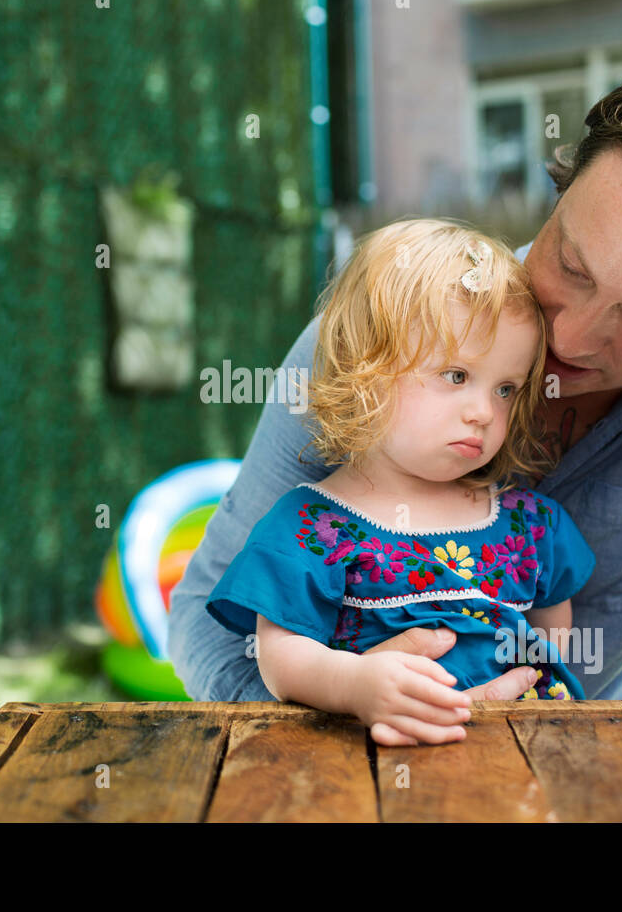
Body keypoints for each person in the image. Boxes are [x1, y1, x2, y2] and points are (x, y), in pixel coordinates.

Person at [169, 42, 622, 821]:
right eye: (572, 263)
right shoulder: (385, 339)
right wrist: (358, 712)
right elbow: (212, 622)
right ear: (565, 186)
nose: (574, 338)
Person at [205, 222, 596, 746]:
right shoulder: (312, 527)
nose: (483, 411)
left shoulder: (526, 522)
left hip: (526, 755)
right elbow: (280, 659)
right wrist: (356, 686)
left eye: (505, 389)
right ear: (364, 369)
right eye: (456, 376)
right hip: (381, 768)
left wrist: (541, 682)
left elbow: (553, 617)